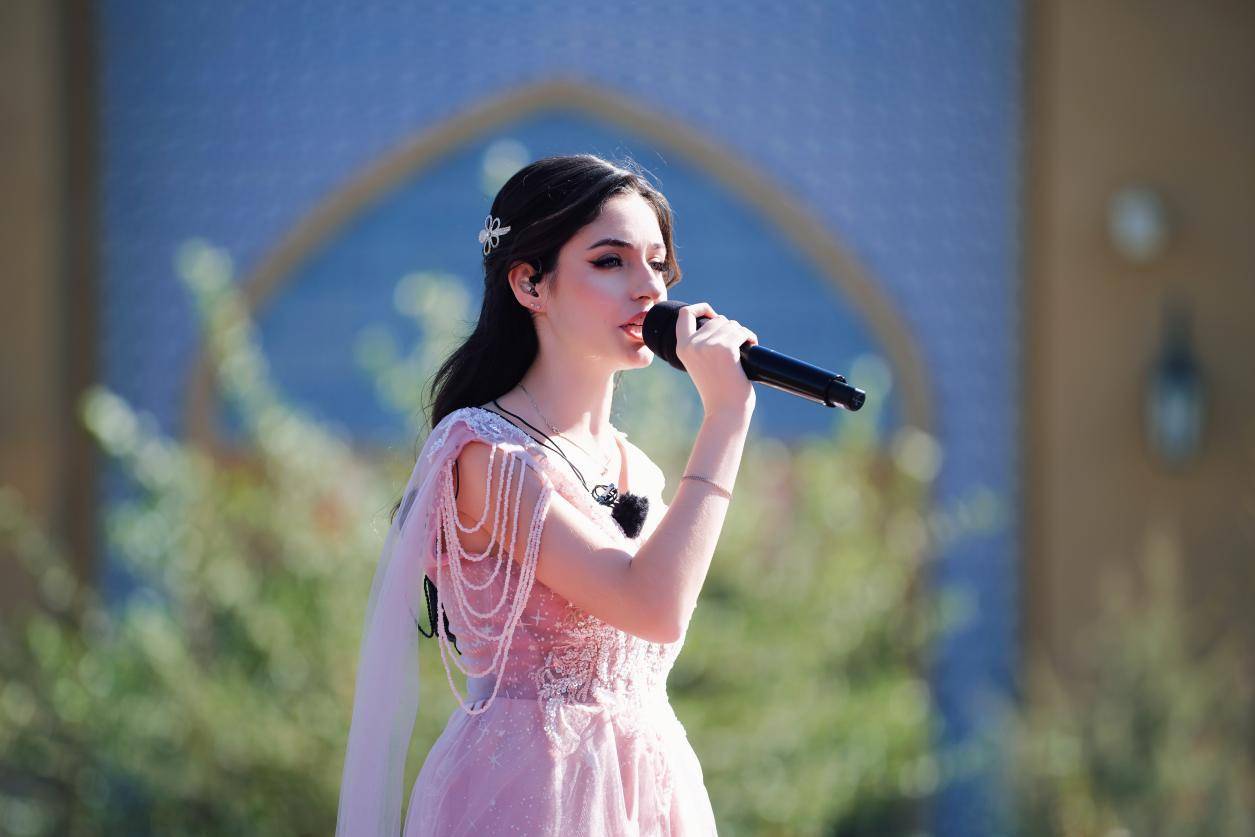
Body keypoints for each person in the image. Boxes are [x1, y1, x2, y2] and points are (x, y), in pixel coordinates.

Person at [336, 153, 758, 836]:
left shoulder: (637, 468)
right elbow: (652, 607)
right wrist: (726, 419)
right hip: (531, 794)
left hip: (650, 791)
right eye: (610, 261)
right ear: (530, 282)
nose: (648, 289)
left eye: (658, 265)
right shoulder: (486, 455)